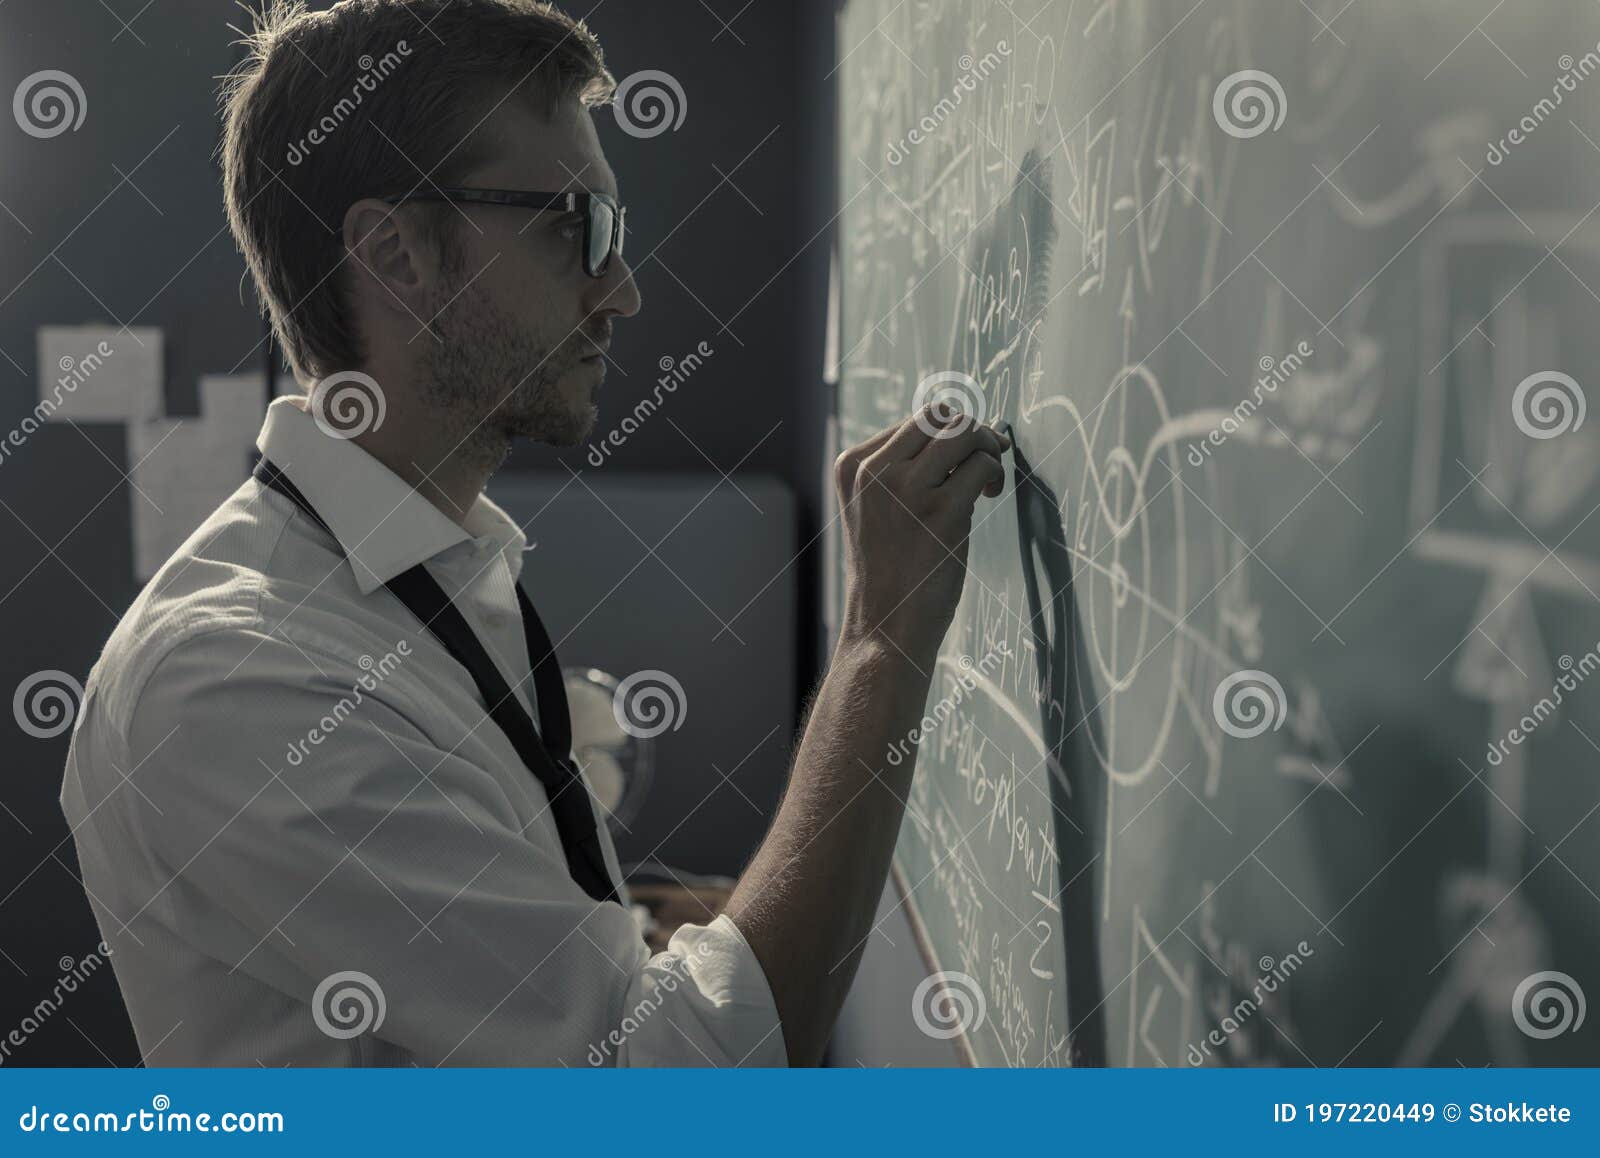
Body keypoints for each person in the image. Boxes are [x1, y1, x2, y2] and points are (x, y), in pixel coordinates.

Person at [59, 0, 1007, 1067]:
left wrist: (643, 917)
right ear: (398, 254)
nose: (623, 291)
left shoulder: (436, 570)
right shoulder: (234, 679)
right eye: (576, 226)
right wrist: (880, 644)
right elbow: (678, 1085)